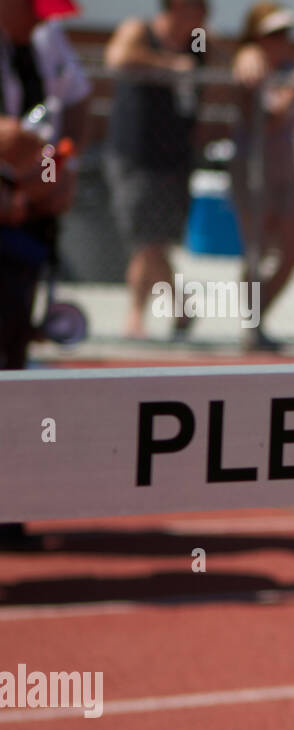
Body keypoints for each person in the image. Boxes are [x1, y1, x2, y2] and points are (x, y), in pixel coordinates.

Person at [0, 0, 87, 550]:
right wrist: (36, 160)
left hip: (24, 228)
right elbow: (10, 134)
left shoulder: (45, 41)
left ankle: (9, 510)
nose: (43, 16)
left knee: (13, 363)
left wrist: (58, 168)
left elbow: (74, 105)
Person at [104, 0, 209, 340]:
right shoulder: (140, 31)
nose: (204, 12)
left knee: (157, 241)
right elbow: (117, 58)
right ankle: (138, 316)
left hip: (176, 157)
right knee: (146, 240)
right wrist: (168, 65)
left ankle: (179, 307)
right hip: (135, 153)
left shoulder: (198, 40)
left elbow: (228, 57)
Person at [229, 2, 294, 351]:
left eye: (286, 34)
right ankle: (253, 326)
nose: (283, 41)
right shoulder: (250, 63)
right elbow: (267, 118)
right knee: (257, 249)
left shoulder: (292, 70)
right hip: (253, 167)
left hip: (286, 168)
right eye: (273, 34)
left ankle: (256, 319)